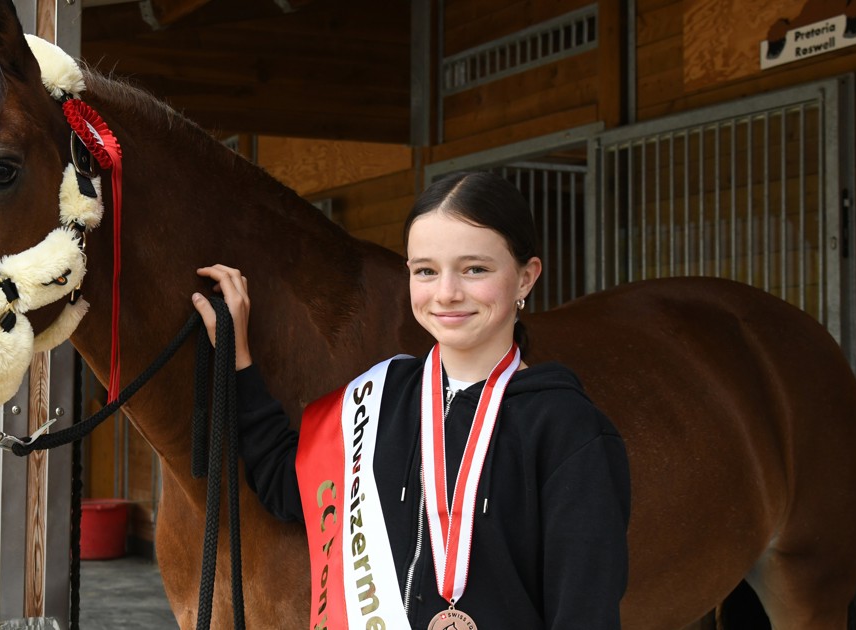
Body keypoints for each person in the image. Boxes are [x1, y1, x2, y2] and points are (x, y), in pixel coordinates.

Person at [192, 171, 630, 629]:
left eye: (474, 269)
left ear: (525, 278)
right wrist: (237, 358)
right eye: (426, 270)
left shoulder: (569, 432)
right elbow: (288, 487)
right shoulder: (382, 398)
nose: (446, 293)